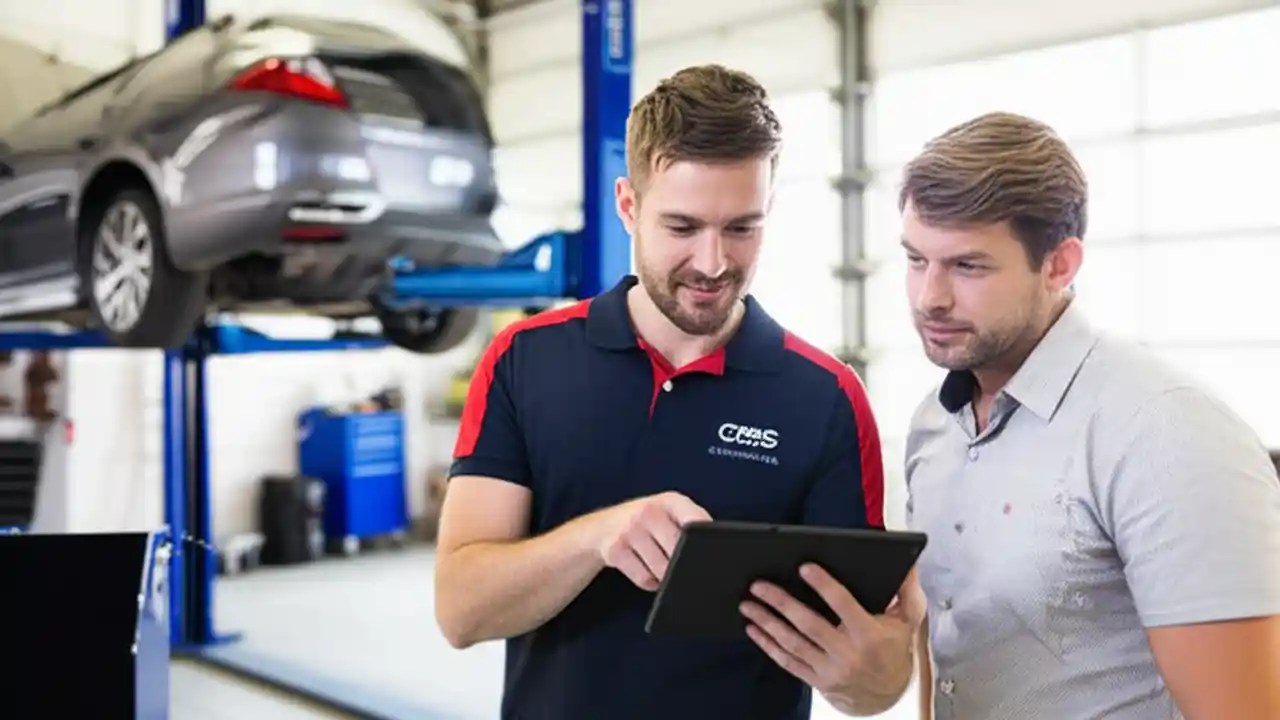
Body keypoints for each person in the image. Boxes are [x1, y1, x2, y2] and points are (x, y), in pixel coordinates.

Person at [434, 64, 923, 720]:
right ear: (628, 206)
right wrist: (596, 538)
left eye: (741, 228)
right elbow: (461, 611)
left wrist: (876, 674)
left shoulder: (825, 398)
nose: (714, 263)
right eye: (683, 227)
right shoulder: (525, 360)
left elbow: (874, 685)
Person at [900, 111, 1280, 719]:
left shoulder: (1165, 433)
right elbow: (948, 655)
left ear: (1059, 264)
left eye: (967, 266)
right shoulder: (933, 425)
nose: (929, 297)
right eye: (917, 259)